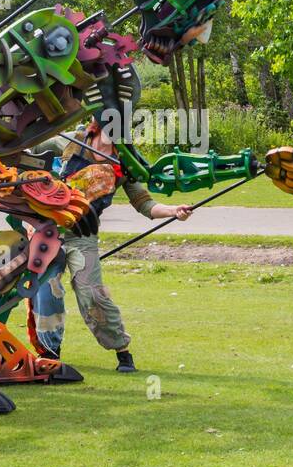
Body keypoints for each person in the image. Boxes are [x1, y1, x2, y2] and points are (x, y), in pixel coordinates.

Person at [29, 119, 192, 373]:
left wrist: (174, 210)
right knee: (48, 290)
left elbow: (144, 203)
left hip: (83, 235)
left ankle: (122, 352)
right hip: (45, 230)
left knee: (91, 293)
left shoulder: (124, 160)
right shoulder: (68, 141)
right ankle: (50, 355)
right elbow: (23, 155)